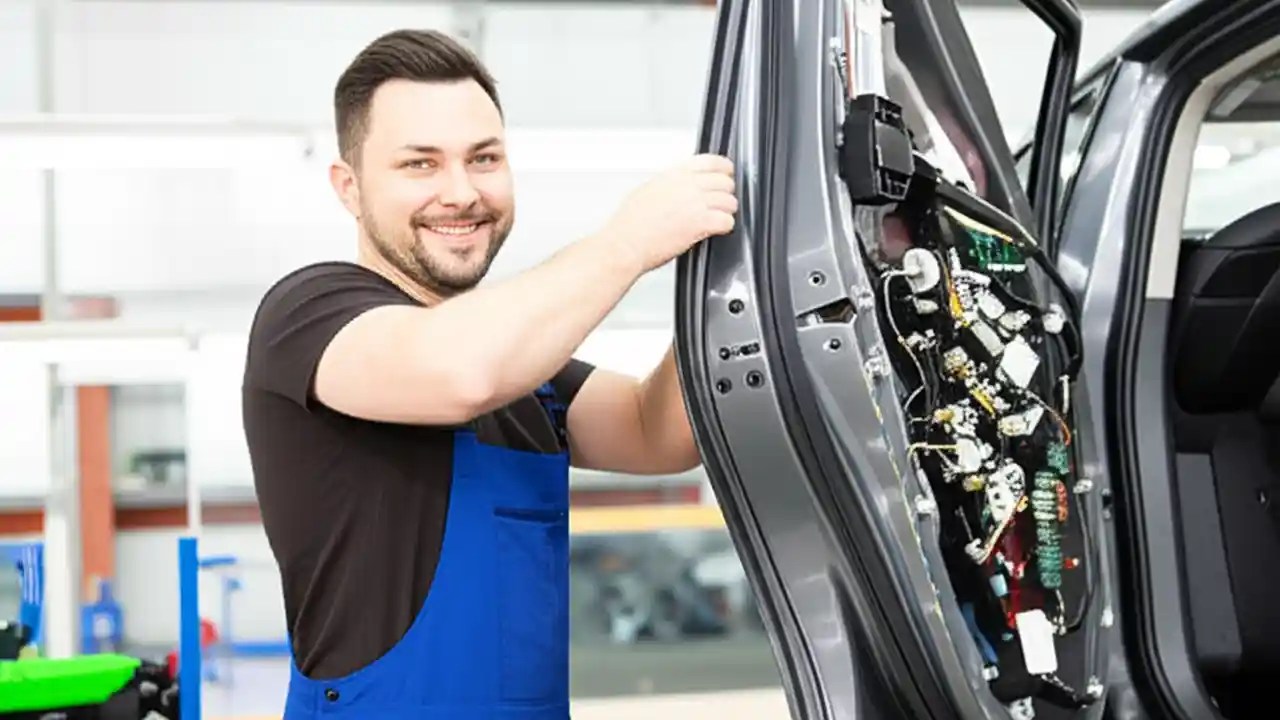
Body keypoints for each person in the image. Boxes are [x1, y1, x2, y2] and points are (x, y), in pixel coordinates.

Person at [240, 27, 738, 720]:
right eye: (420, 165)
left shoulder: (528, 375)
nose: (461, 192)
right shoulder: (311, 315)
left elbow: (659, 435)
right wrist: (630, 241)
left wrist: (725, 274)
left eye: (484, 158)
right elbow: (460, 372)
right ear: (349, 189)